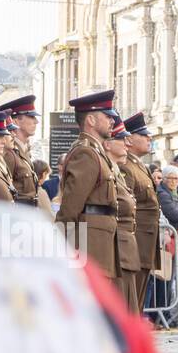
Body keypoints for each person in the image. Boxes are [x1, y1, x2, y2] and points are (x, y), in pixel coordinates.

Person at [55, 90, 123, 292]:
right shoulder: (85, 152)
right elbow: (71, 206)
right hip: (89, 242)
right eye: (107, 116)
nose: (112, 121)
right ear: (91, 120)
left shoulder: (96, 151)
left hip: (99, 240)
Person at [120, 112, 161, 317]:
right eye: (143, 135)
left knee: (137, 304)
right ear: (129, 138)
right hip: (135, 243)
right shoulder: (126, 167)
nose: (149, 139)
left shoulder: (139, 165)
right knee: (130, 305)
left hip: (144, 245)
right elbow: (128, 207)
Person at [106, 121, 142, 315]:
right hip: (116, 246)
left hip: (125, 247)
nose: (127, 144)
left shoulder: (115, 171)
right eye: (121, 139)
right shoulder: (108, 170)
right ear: (108, 144)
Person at [0, 94, 50, 212]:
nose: (36, 121)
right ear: (16, 121)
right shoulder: (9, 153)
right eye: (31, 116)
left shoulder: (23, 151)